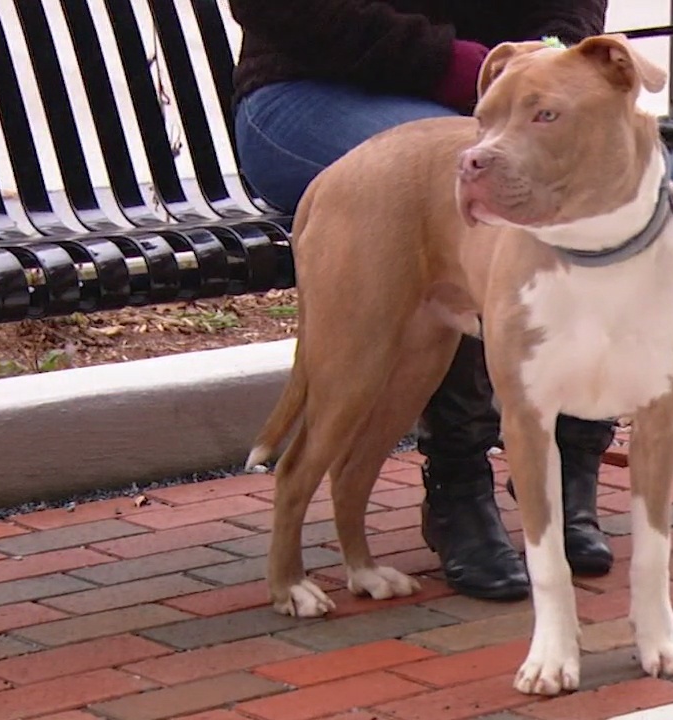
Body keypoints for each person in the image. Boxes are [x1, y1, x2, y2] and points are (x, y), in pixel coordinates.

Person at [229, 0, 616, 602]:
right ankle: (459, 486)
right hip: (316, 89)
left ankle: (567, 461)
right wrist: (451, 65)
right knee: (467, 184)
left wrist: (555, 53)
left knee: (631, 182)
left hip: (498, 94)